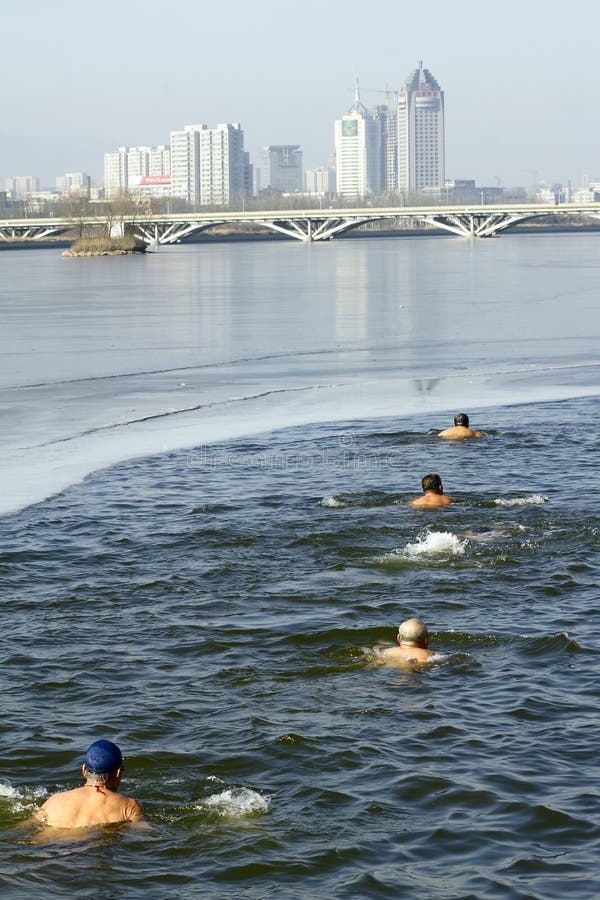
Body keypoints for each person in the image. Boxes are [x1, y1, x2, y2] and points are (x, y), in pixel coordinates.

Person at [34, 740, 143, 828]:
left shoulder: (53, 801)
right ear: (118, 773)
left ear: (84, 769)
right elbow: (144, 833)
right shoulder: (129, 807)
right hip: (92, 849)